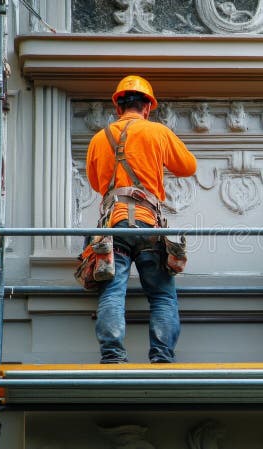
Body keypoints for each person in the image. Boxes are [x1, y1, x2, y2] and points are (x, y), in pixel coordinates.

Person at [86, 75, 197, 363]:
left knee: (113, 291)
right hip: (148, 224)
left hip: (115, 223)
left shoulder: (100, 138)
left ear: (118, 108)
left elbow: (97, 183)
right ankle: (161, 357)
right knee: (161, 295)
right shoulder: (156, 132)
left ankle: (112, 356)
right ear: (147, 106)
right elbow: (188, 166)